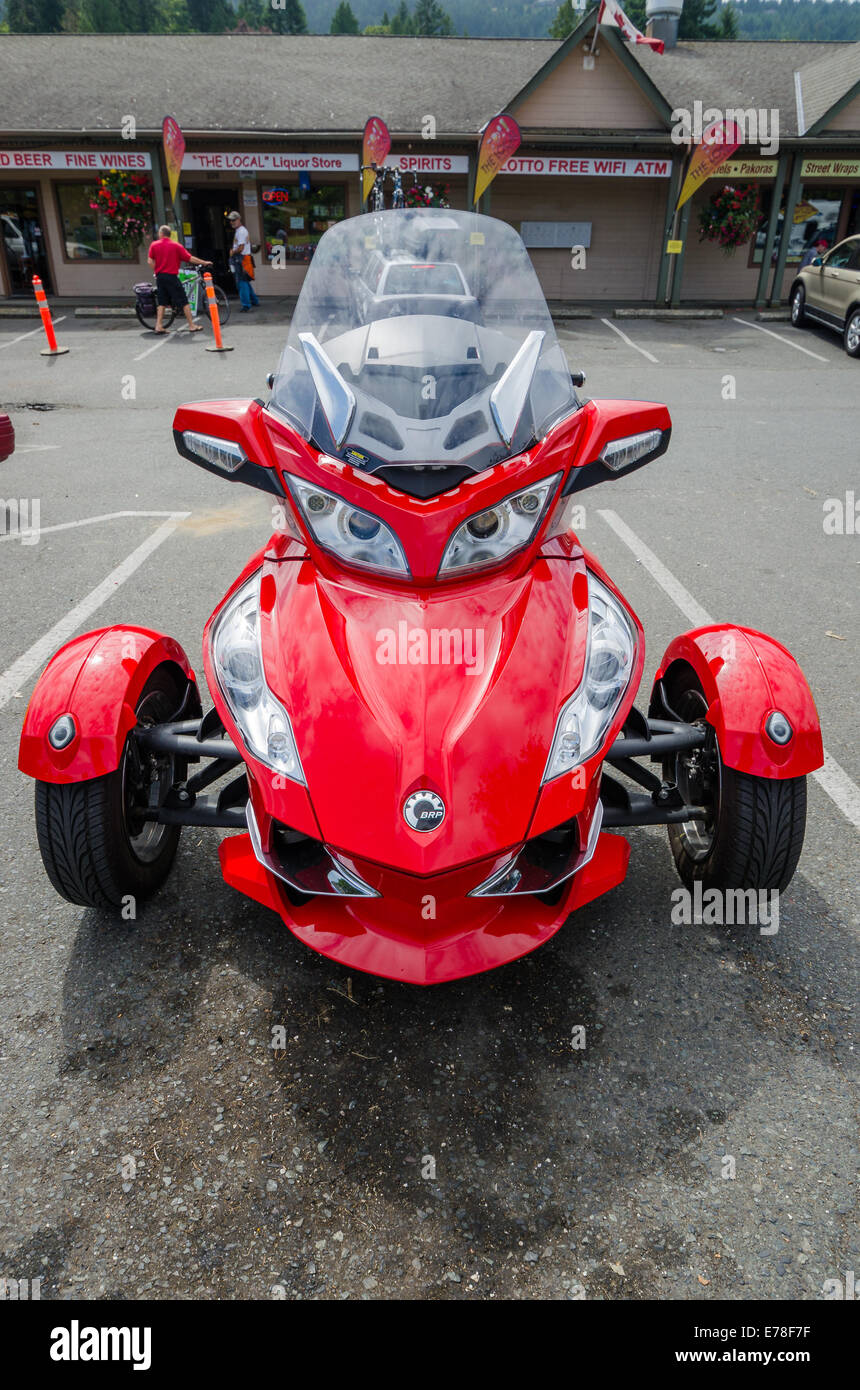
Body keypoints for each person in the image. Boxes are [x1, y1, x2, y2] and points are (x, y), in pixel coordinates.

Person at [147, 225, 212, 333]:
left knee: (162, 302)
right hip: (171, 277)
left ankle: (158, 326)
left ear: (161, 234)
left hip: (160, 277)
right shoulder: (176, 246)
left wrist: (157, 270)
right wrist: (204, 262)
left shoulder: (154, 245)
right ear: (169, 234)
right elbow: (190, 258)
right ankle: (191, 325)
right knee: (184, 301)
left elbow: (150, 261)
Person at [227, 209, 259, 312]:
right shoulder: (241, 230)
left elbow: (240, 248)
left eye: (234, 220)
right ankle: (254, 300)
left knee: (241, 282)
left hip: (241, 258)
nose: (232, 222)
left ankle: (246, 305)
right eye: (231, 220)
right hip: (244, 257)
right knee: (245, 280)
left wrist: (233, 252)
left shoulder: (241, 231)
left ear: (239, 219)